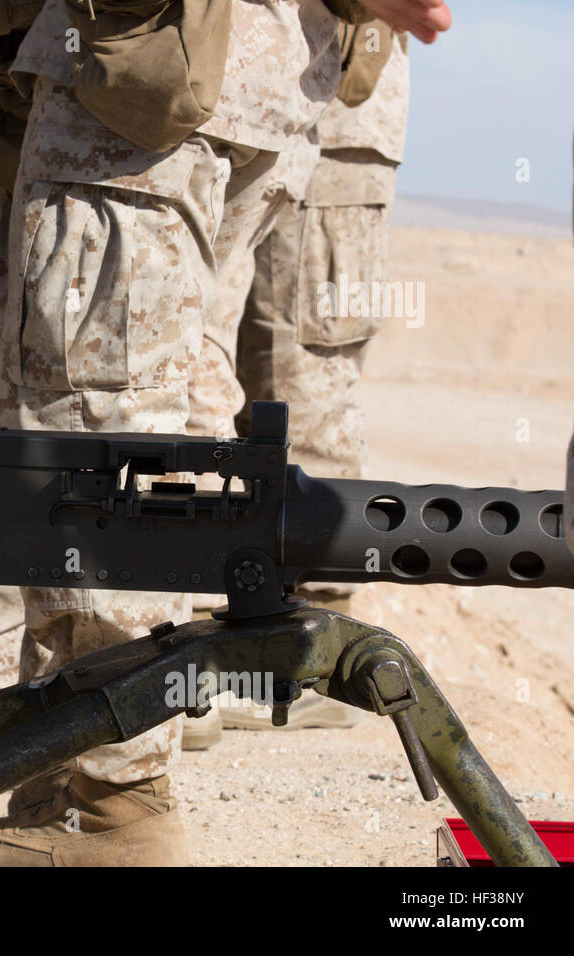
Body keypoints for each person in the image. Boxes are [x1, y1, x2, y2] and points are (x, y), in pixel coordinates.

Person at [0, 0, 451, 867]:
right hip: (238, 80)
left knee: (93, 442)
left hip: (146, 85)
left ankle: (111, 812)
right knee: (165, 418)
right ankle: (71, 779)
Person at [182, 19, 411, 748]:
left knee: (299, 368)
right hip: (246, 88)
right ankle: (203, 635)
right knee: (207, 344)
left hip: (332, 102)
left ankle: (308, 660)